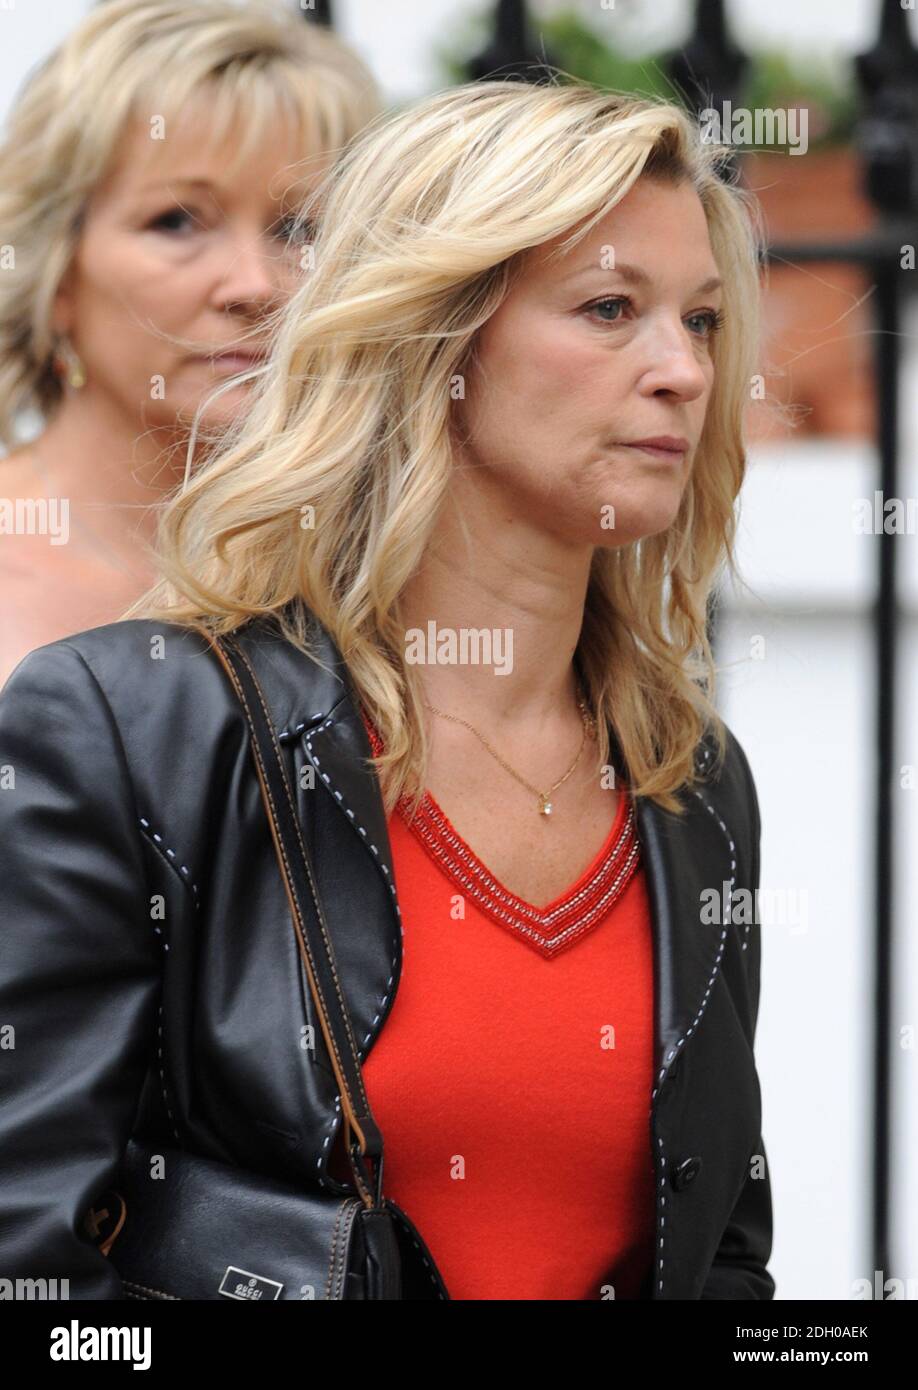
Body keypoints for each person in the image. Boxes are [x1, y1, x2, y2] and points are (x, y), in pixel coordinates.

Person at [0, 78, 774, 1300]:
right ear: (431, 339)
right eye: (609, 308)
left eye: (706, 320)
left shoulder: (694, 780)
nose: (682, 369)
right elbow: (28, 1264)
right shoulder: (133, 726)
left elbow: (724, 1254)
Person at [0, 0, 380, 686]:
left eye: (297, 229)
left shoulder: (379, 569)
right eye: (177, 222)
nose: (255, 285)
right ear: (56, 272)